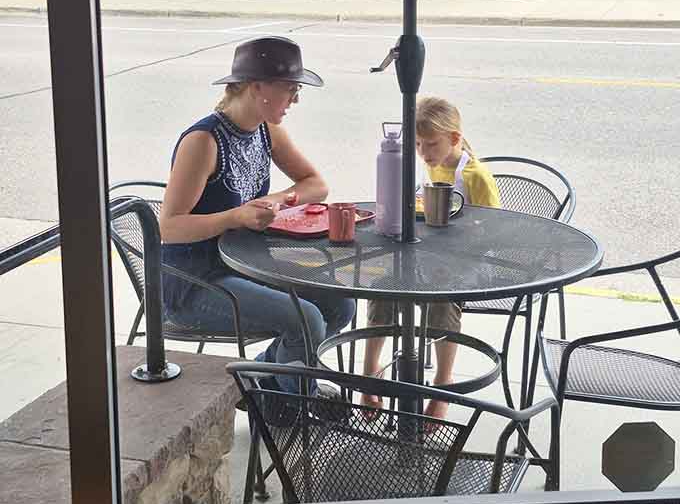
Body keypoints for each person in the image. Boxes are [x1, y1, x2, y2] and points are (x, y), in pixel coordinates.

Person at [159, 36, 355, 395]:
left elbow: (316, 185)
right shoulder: (203, 142)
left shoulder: (267, 130)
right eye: (290, 89)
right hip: (193, 282)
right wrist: (236, 217)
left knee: (341, 304)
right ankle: (292, 407)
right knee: (307, 319)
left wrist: (274, 202)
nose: (296, 99)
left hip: (243, 266)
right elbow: (168, 228)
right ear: (256, 87)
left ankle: (263, 379)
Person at [361, 96, 501, 421]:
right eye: (418, 144)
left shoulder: (475, 176)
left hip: (473, 262)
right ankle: (369, 374)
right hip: (433, 256)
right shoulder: (431, 163)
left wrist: (459, 232)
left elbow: (496, 229)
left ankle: (443, 381)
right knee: (385, 284)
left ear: (454, 138)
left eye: (430, 144)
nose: (422, 152)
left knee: (440, 294)